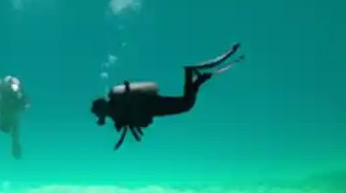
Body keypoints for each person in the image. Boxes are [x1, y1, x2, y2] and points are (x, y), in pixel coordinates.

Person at [91, 43, 243, 150]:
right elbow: (115, 119)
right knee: (185, 104)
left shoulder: (114, 112)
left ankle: (192, 76)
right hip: (150, 105)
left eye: (96, 113)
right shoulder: (112, 110)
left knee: (185, 105)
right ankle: (194, 79)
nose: (97, 116)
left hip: (151, 106)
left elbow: (119, 120)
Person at [0, 75, 30, 159]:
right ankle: (16, 153)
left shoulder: (3, 88)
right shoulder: (3, 88)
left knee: (14, 133)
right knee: (15, 133)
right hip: (12, 109)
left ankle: (16, 152)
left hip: (11, 109)